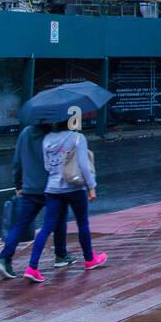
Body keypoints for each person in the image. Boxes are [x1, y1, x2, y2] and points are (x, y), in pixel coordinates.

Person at [24, 121, 106, 282]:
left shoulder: (46, 139)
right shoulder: (77, 138)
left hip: (53, 189)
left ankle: (32, 267)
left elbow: (47, 166)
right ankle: (89, 259)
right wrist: (92, 186)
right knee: (82, 223)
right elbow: (84, 165)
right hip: (74, 188)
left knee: (47, 227)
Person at [0, 123, 72, 279]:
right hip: (52, 187)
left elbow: (18, 160)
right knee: (59, 219)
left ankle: (4, 259)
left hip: (29, 187)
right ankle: (61, 255)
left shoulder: (25, 133)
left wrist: (18, 184)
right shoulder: (55, 134)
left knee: (21, 224)